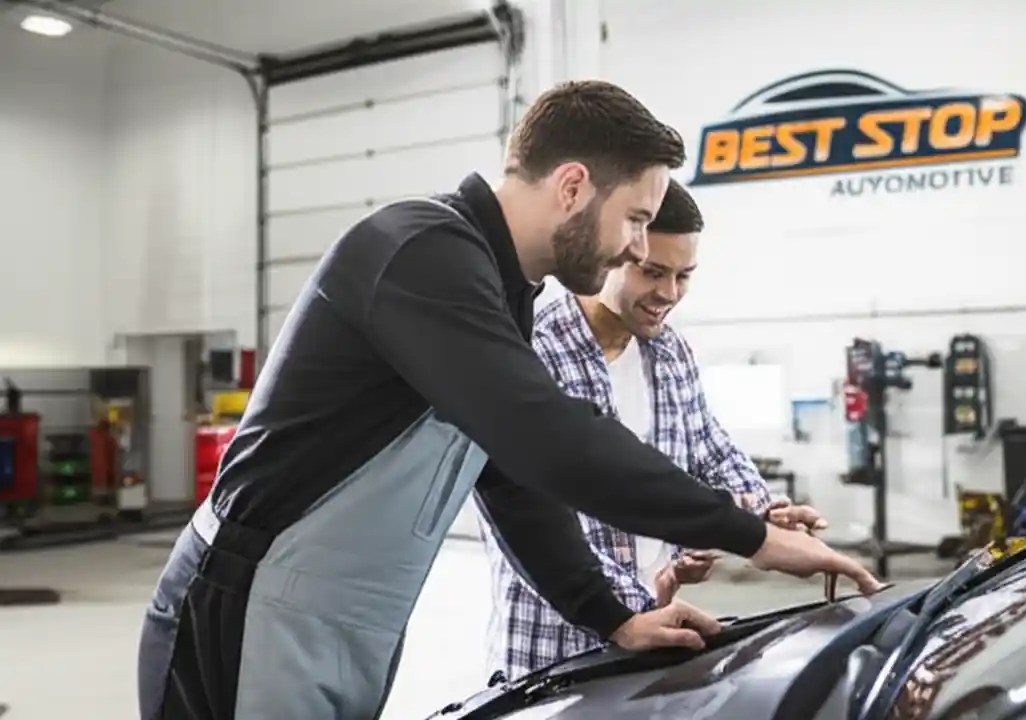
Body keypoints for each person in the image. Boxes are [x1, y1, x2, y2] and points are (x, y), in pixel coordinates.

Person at [137, 79, 880, 719]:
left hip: (346, 619)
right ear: (572, 186)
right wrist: (750, 533)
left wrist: (612, 617)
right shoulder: (419, 250)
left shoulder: (500, 292)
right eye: (637, 219)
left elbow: (511, 477)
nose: (635, 247)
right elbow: (547, 439)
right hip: (249, 605)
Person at [481, 180, 838, 680]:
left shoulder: (669, 352)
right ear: (611, 254)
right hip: (557, 647)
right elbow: (540, 519)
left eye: (683, 276)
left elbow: (710, 449)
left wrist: (765, 515)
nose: (668, 294)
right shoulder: (533, 352)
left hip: (651, 633)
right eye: (652, 272)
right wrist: (632, 609)